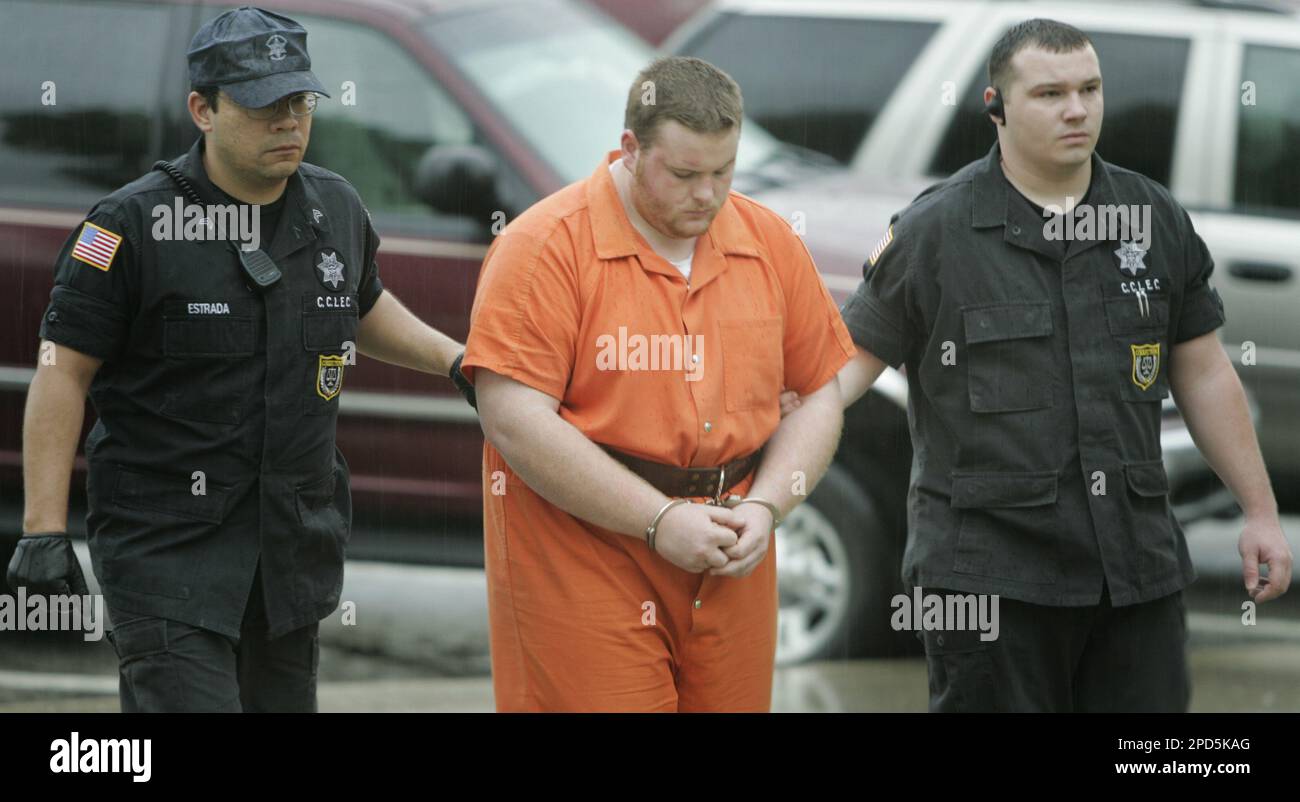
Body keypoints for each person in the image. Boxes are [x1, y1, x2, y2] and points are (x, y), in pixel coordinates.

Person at [819, 18, 1291, 712]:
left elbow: (1204, 372)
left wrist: (1261, 511)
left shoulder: (1151, 217)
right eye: (1049, 94)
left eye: (1090, 89)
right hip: (989, 584)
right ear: (996, 106)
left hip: (1133, 574)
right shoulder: (936, 234)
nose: (1077, 109)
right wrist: (764, 485)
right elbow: (839, 378)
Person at [6, 6, 468, 712]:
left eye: (298, 102)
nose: (288, 122)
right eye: (262, 106)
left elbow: (362, 305)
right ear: (204, 109)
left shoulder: (335, 208)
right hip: (168, 557)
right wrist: (43, 528)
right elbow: (63, 369)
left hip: (289, 557)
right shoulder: (128, 226)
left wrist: (458, 362)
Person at [459, 56, 854, 712]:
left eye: (723, 171)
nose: (708, 194)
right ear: (631, 150)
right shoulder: (543, 247)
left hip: (731, 553)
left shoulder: (768, 240)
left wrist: (769, 507)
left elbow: (819, 393)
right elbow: (512, 417)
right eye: (684, 173)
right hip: (583, 555)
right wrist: (657, 519)